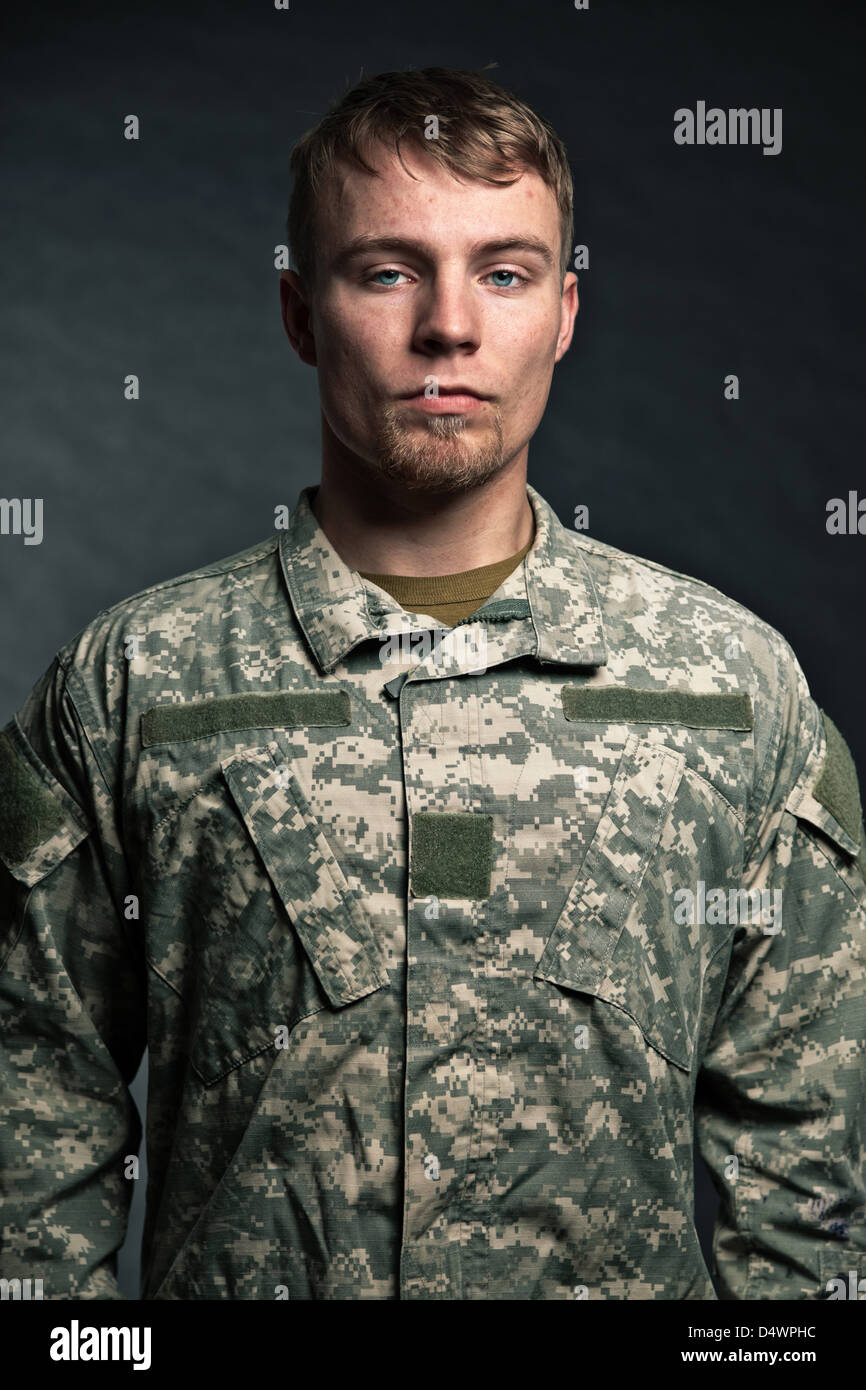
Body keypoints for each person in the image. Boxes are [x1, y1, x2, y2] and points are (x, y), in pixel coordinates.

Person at [1, 66, 864, 1302]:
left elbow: (807, 1184)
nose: (449, 326)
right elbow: (28, 1139)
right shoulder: (135, 684)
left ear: (562, 313)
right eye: (388, 270)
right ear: (301, 312)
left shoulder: (732, 688)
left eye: (503, 273)